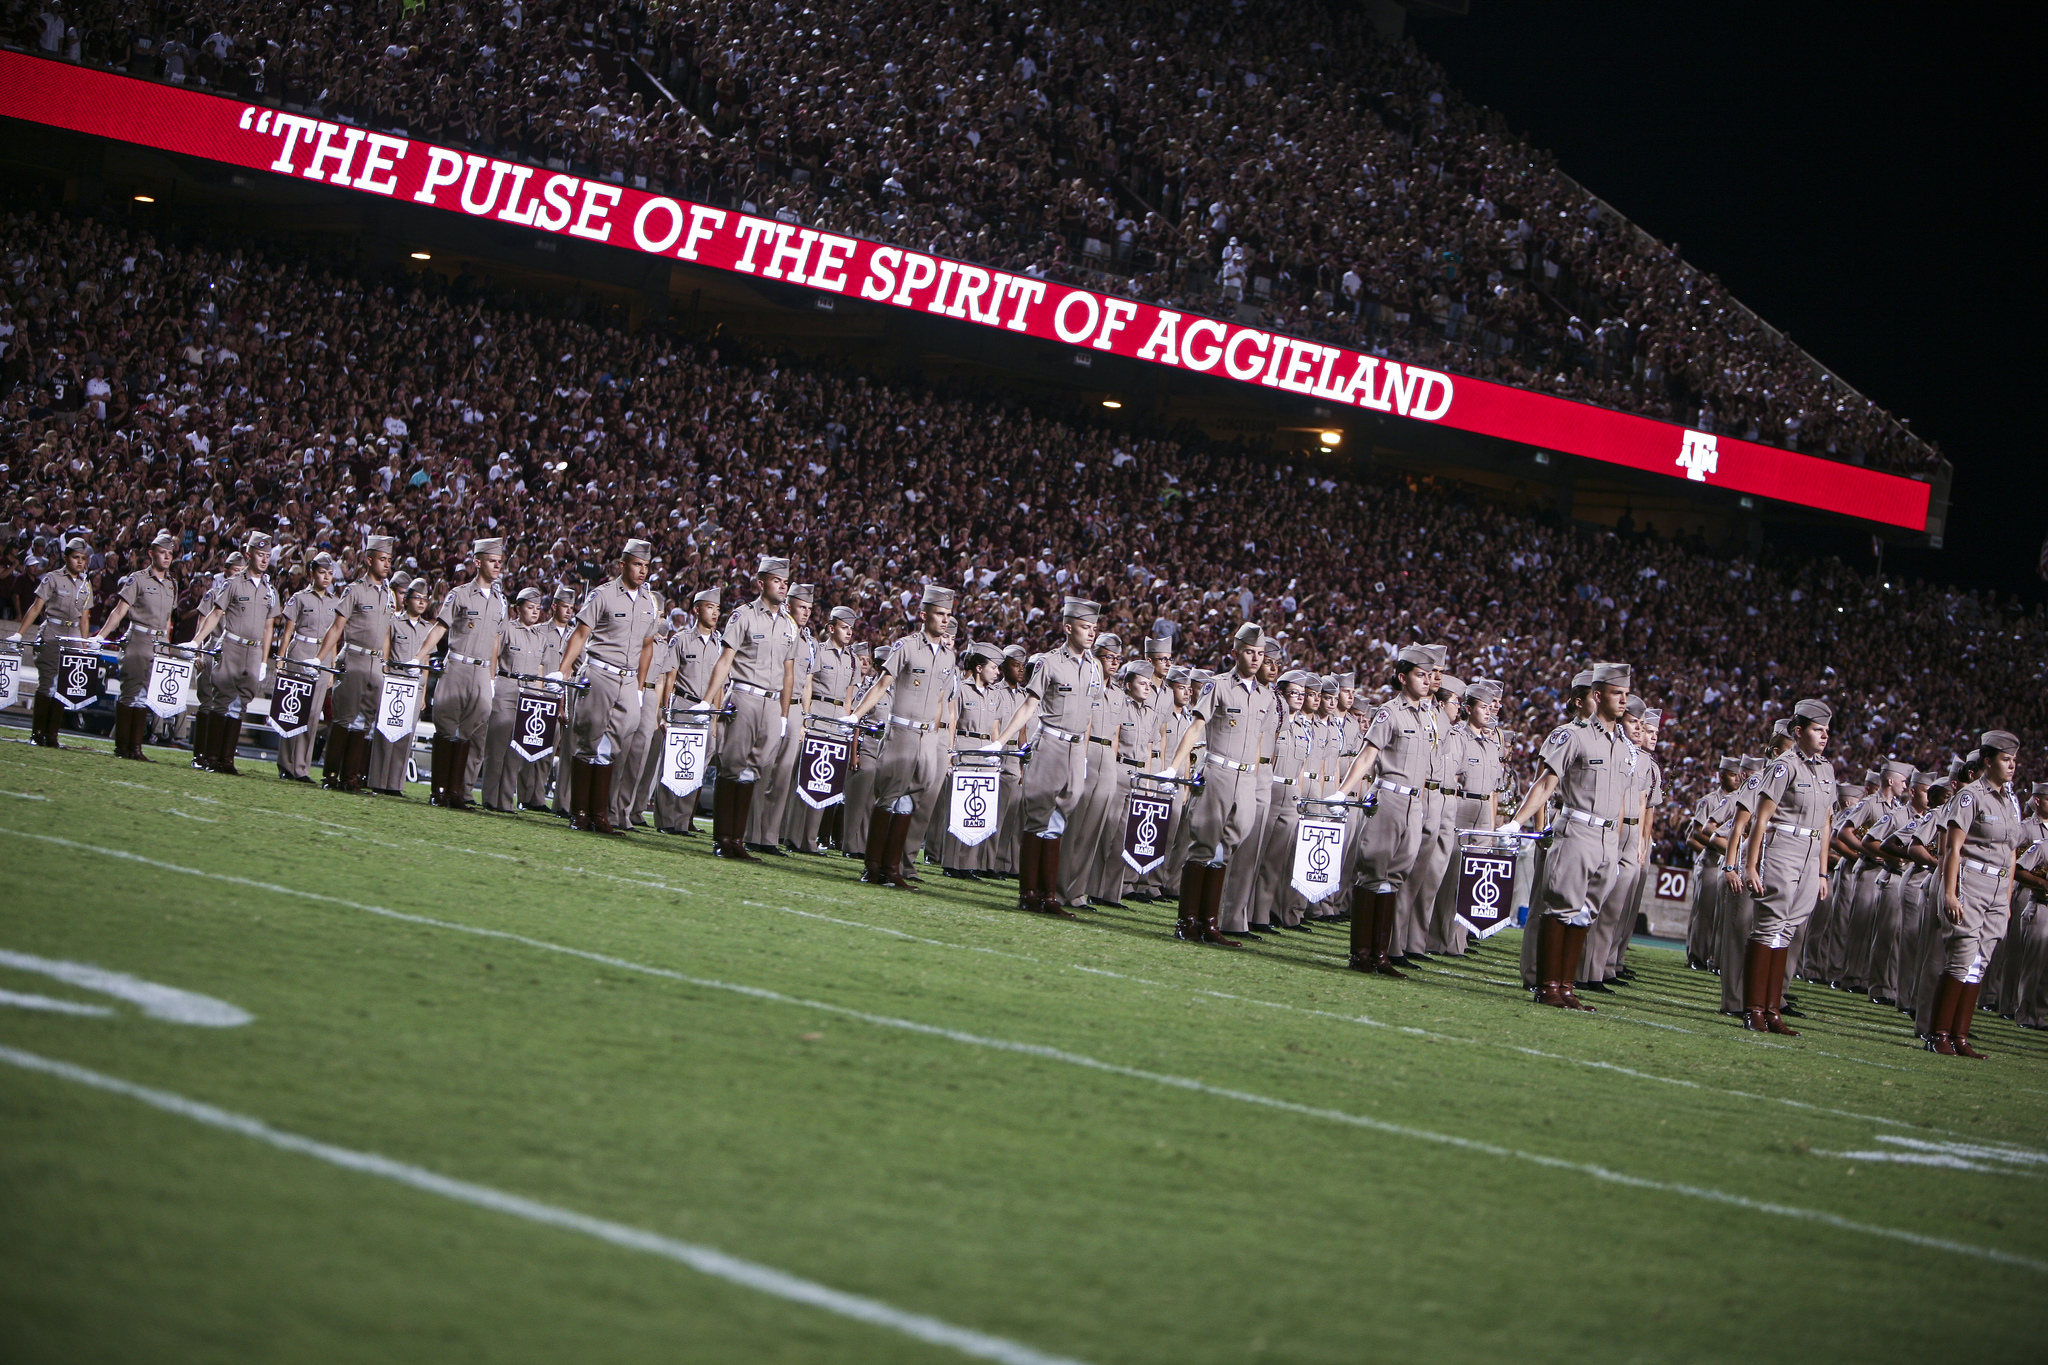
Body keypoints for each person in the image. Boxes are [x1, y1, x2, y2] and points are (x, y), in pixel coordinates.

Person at [1500, 661, 1637, 1010]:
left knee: (1586, 914)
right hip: (1577, 829)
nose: (1623, 700)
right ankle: (1547, 986)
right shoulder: (1571, 735)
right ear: (1596, 695)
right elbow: (1545, 782)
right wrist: (1517, 823)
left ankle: (1566, 987)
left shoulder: (1624, 746)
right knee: (1561, 909)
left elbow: (1621, 800)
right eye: (1616, 693)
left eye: (1625, 694)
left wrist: (1620, 846)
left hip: (1607, 838)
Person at [1327, 643, 1450, 976]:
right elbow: (1367, 755)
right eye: (1420, 675)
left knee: (1394, 878)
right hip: (1389, 798)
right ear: (1402, 677)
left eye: (1429, 675)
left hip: (1414, 802)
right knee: (1372, 873)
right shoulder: (1390, 712)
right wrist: (1343, 792)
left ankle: (1380, 955)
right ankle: (1361, 954)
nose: (1427, 681)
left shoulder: (1429, 716)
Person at [1156, 623, 1280, 946]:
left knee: (1226, 851)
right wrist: (1172, 768)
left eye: (1260, 654)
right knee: (1202, 847)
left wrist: (1253, 780)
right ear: (1236, 652)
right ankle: (1187, 922)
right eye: (1250, 652)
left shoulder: (1267, 696)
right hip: (1218, 772)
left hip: (1246, 778)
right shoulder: (1219, 686)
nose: (1255, 659)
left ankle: (1209, 924)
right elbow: (1197, 728)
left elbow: (1258, 741)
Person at [1722, 698, 1838, 1035]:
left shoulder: (1827, 769)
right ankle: (1754, 1010)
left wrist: (1821, 871)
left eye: (1827, 730)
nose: (1824, 735)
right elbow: (1760, 820)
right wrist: (1751, 866)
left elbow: (1827, 825)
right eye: (1818, 729)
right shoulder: (1784, 765)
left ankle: (1773, 1010)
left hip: (1810, 852)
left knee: (1786, 931)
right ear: (1799, 731)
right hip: (1783, 848)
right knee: (1768, 927)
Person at [986, 597, 1106, 918]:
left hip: (1076, 747)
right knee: (1039, 815)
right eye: (1085, 627)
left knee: (1059, 819)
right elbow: (1029, 706)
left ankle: (1048, 895)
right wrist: (1001, 741)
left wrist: (1084, 752)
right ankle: (1029, 893)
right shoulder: (1049, 663)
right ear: (1068, 628)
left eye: (1094, 628)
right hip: (1050, 742)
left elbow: (1091, 713)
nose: (1091, 633)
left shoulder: (1094, 666)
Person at [845, 584, 960, 889]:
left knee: (911, 801)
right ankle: (873, 868)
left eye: (948, 615)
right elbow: (882, 684)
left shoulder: (949, 657)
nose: (945, 620)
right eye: (939, 614)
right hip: (901, 731)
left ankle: (891, 869)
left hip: (926, 737)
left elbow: (940, 702)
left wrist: (936, 737)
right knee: (889, 798)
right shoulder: (906, 646)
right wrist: (856, 715)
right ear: (924, 615)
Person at [1919, 730, 2026, 1057]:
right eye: (2006, 760)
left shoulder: (2009, 799)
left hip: (1997, 889)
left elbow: (2011, 852)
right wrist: (1950, 894)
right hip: (1972, 881)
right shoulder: (1971, 796)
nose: (2012, 766)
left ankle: (1960, 1036)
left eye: (2014, 760)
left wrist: (2007, 901)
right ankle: (1938, 1035)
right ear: (1988, 761)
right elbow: (1953, 849)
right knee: (1961, 958)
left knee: (1980, 963)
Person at [557, 539, 665, 834]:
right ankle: (581, 813)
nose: (642, 571)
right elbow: (580, 635)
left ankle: (599, 815)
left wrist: (640, 687)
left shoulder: (649, 602)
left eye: (646, 566)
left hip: (629, 680)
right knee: (588, 741)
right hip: (600, 672)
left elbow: (647, 647)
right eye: (637, 564)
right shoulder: (603, 594)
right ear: (623, 565)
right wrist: (562, 671)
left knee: (612, 746)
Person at [702, 555, 800, 860]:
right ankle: (722, 839)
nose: (783, 586)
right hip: (744, 696)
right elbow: (725, 661)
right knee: (731, 767)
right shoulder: (743, 615)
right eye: (776, 581)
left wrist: (784, 715)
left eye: (785, 582)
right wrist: (708, 699)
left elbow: (789, 673)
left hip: (772, 704)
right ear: (761, 583)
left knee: (754, 771)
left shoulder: (789, 624)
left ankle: (737, 840)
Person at [427, 537, 509, 810]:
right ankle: (440, 791)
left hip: (483, 669)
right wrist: (420, 655)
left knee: (469, 729)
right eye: (492, 560)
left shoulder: (501, 600)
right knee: (447, 726)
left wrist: (494, 678)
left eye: (500, 561)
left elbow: (496, 641)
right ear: (478, 562)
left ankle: (456, 791)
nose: (498, 565)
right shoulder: (460, 594)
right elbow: (440, 627)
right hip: (458, 665)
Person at [1428, 677, 1505, 955]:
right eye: (1483, 707)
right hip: (1461, 808)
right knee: (1451, 877)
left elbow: (1494, 790)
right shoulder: (1458, 736)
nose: (1489, 711)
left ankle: (1458, 940)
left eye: (1490, 707)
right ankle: (1439, 939)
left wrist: (1494, 824)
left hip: (1483, 814)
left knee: (1472, 882)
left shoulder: (1492, 743)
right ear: (1469, 709)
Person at [316, 535, 399, 793]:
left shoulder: (389, 595)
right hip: (354, 657)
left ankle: (351, 777)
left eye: (389, 560)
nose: (387, 565)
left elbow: (386, 633)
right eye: (382, 559)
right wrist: (318, 659)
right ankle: (331, 775)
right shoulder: (355, 590)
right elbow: (337, 627)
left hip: (375, 663)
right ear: (369, 559)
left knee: (364, 722)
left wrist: (384, 664)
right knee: (344, 719)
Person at [96, 530, 180, 760]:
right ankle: (122, 746)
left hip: (159, 641)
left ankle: (135, 748)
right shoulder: (138, 578)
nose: (166, 557)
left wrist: (168, 646)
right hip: (139, 637)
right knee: (130, 692)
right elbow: (120, 610)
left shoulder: (172, 583)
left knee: (146, 695)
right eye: (162, 553)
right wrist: (101, 636)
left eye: (169, 554)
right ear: (151, 553)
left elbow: (168, 620)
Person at [784, 604, 861, 853]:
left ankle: (809, 840)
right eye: (844, 627)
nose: (849, 633)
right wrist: (806, 719)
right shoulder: (817, 649)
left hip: (837, 721)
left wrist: (847, 724)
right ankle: (792, 836)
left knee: (825, 783)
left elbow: (849, 698)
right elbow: (807, 685)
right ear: (831, 628)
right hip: (817, 715)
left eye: (851, 629)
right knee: (806, 778)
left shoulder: (852, 659)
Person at [749, 583, 818, 853]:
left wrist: (803, 718)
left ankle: (769, 837)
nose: (806, 613)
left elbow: (808, 683)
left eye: (810, 609)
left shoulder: (809, 643)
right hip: (773, 704)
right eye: (802, 607)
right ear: (789, 606)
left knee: (782, 777)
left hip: (796, 710)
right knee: (761, 770)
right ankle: (751, 833)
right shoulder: (777, 631)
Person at [12, 536, 97, 749]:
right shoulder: (52, 578)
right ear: (66, 557)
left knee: (65, 686)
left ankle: (52, 735)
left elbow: (85, 617)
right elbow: (36, 607)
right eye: (76, 557)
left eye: (83, 558)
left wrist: (84, 646)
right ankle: (37, 733)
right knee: (47, 683)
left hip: (74, 634)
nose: (80, 562)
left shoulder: (85, 584)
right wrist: (20, 634)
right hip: (53, 631)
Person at [1249, 668, 1317, 932]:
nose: (1299, 698)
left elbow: (1301, 767)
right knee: (1254, 856)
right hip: (1270, 788)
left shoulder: (1304, 728)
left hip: (1290, 796)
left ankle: (1261, 916)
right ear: (1282, 693)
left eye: (1303, 694)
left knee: (1275, 862)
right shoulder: (1273, 722)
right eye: (1294, 693)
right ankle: (1241, 913)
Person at [653, 587, 725, 836]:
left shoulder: (721, 644)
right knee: (673, 765)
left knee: (695, 770)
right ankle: (665, 820)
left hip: (707, 714)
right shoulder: (681, 639)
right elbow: (670, 678)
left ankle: (683, 822)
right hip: (683, 707)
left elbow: (720, 687)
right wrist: (665, 712)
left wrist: (715, 721)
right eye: (710, 607)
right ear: (696, 610)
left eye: (717, 608)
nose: (715, 612)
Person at [933, 641, 1006, 879]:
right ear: (978, 668)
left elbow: (995, 728)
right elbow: (953, 723)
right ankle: (952, 862)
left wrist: (997, 756)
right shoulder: (962, 689)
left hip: (986, 751)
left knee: (979, 809)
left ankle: (969, 863)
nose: (997, 672)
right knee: (959, 806)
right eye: (994, 667)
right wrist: (950, 754)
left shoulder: (995, 695)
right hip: (965, 747)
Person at [272, 550, 341, 782]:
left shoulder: (336, 602)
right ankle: (285, 763)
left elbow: (334, 636)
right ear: (312, 573)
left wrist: (331, 667)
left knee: (312, 716)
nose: (326, 577)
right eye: (322, 572)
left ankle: (301, 768)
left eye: (330, 573)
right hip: (300, 651)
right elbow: (287, 631)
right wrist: (281, 658)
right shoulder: (299, 598)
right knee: (293, 711)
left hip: (322, 659)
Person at [479, 586, 550, 813]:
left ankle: (506, 800)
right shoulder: (507, 628)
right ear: (518, 609)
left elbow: (540, 668)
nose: (534, 612)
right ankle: (490, 798)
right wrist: (490, 683)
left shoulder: (541, 636)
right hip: (506, 685)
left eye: (538, 608)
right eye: (530, 607)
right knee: (497, 745)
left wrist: (538, 694)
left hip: (529, 693)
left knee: (516, 750)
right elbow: (493, 656)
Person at [368, 576, 436, 796]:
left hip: (414, 688)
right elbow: (385, 656)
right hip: (394, 684)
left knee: (406, 735)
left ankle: (395, 784)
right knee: (385, 732)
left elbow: (425, 665)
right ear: (406, 600)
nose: (421, 603)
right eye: (417, 598)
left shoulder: (428, 629)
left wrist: (423, 695)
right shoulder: (394, 622)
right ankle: (378, 780)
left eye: (425, 599)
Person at [1683, 757, 1745, 970]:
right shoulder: (1709, 801)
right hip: (1711, 858)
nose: (1737, 779)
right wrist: (1717, 849)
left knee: (1721, 915)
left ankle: (1713, 958)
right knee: (1705, 911)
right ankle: (1697, 956)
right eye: (1732, 774)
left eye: (1739, 774)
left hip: (1729, 859)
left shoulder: (1742, 800)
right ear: (1721, 775)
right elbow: (1693, 835)